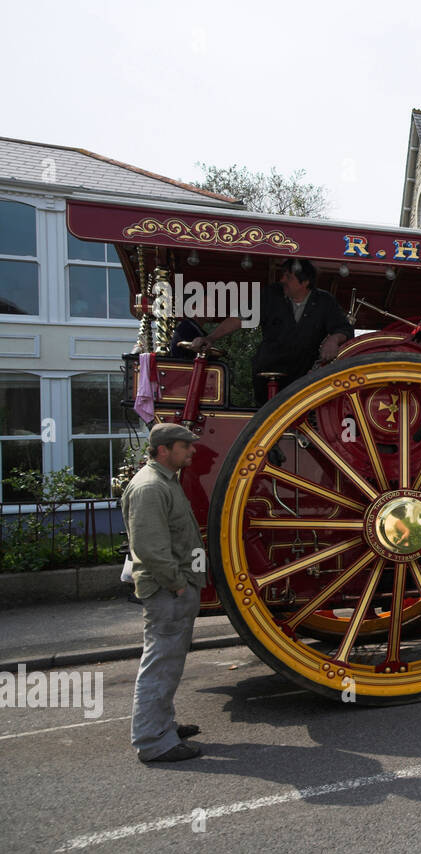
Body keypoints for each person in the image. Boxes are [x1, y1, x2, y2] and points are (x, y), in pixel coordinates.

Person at [121, 423, 207, 763]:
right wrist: (178, 583)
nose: (191, 451)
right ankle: (154, 741)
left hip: (173, 588)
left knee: (168, 663)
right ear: (163, 450)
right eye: (184, 446)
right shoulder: (149, 487)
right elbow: (151, 548)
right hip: (167, 591)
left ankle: (162, 725)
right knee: (160, 664)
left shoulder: (162, 482)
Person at [190, 258, 352, 405]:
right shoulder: (270, 294)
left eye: (288, 277)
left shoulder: (325, 301)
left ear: (305, 282)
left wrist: (334, 339)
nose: (282, 280)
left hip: (303, 377)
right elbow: (240, 318)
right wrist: (211, 338)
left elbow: (343, 328)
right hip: (266, 373)